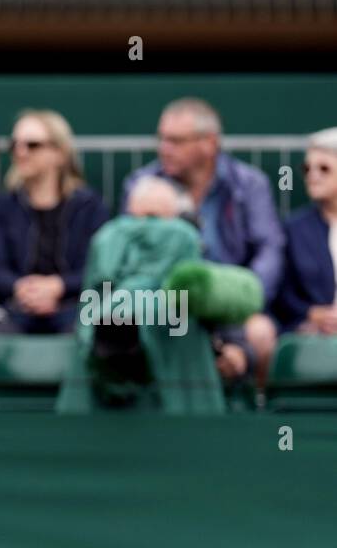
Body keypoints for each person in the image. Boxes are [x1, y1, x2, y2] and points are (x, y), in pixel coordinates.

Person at [120, 97, 283, 385]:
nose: (164, 149)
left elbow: (269, 249)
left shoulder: (249, 183)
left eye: (176, 141)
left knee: (259, 333)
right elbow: (128, 255)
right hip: (165, 305)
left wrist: (244, 298)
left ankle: (254, 416)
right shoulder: (141, 184)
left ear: (209, 143)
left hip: (231, 306)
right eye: (161, 139)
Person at [0, 110, 111, 336]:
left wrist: (58, 287)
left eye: (32, 145)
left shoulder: (90, 206)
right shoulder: (1, 207)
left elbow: (98, 268)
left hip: (76, 308)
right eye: (14, 144)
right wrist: (22, 289)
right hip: (15, 309)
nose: (20, 152)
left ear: (60, 153)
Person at [274, 128, 337, 336]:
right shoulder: (295, 228)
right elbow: (283, 292)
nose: (313, 176)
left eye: (324, 168)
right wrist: (312, 314)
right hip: (313, 335)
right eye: (307, 169)